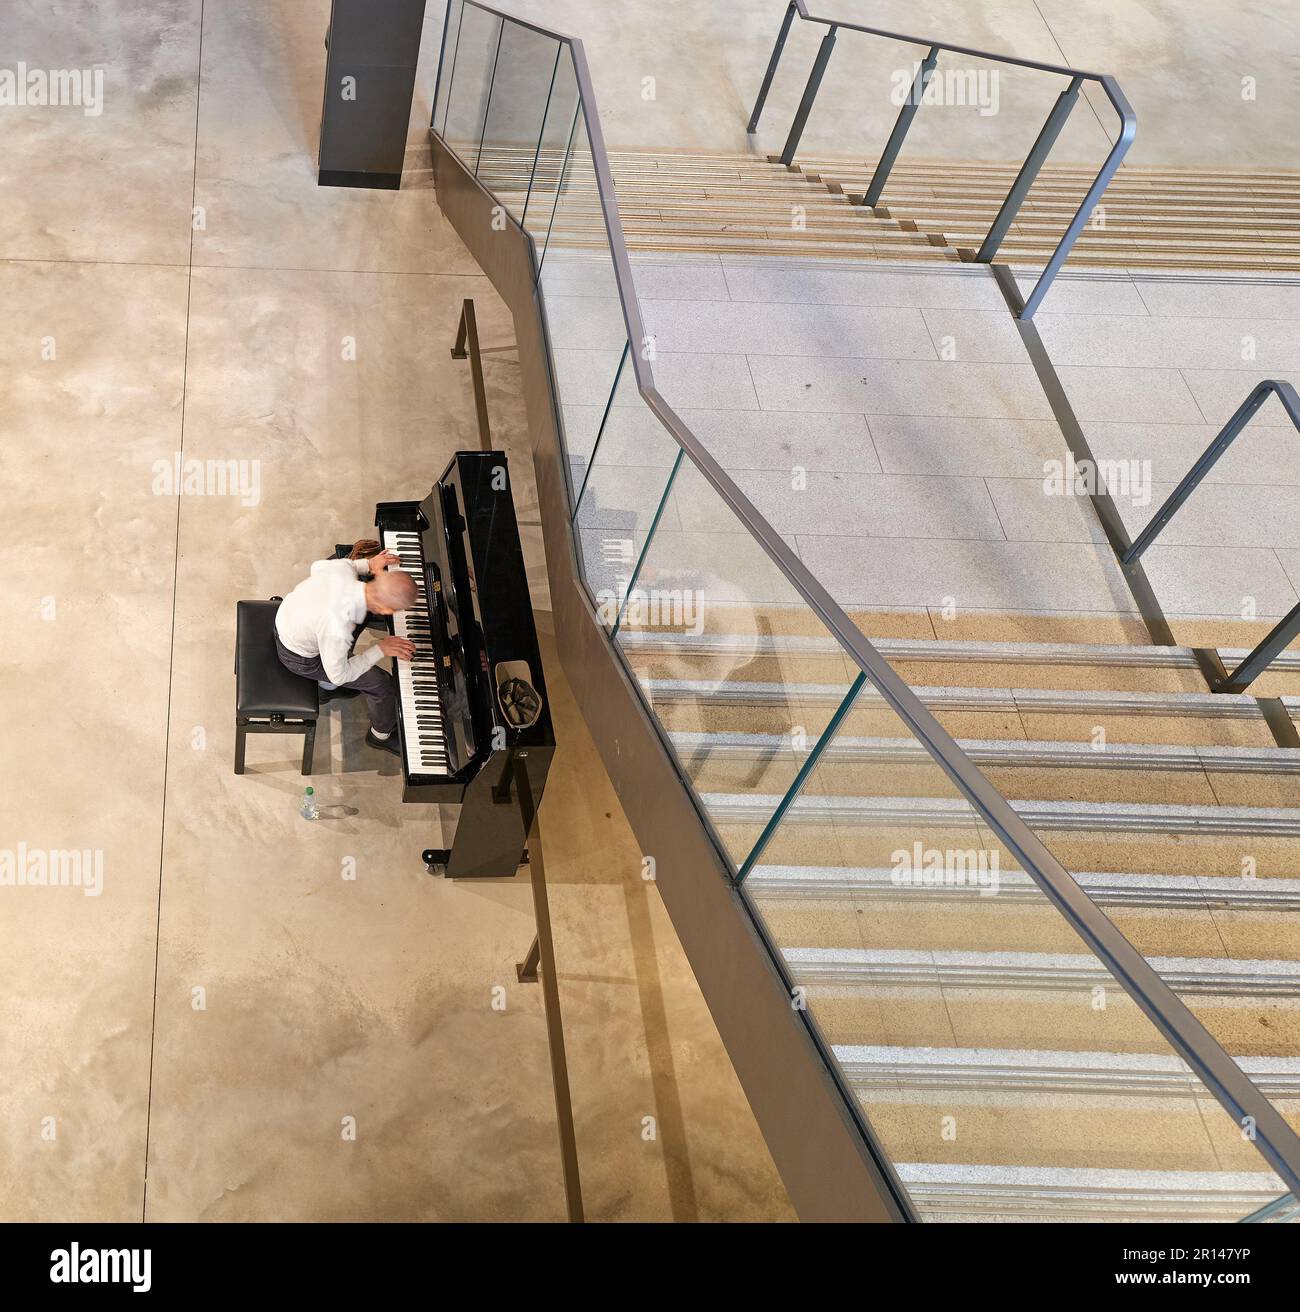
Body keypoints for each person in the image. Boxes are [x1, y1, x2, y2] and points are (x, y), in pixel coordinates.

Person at [274, 540, 417, 757]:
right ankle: (381, 736)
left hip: (288, 618)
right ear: (387, 609)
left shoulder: (342, 571)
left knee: (360, 622)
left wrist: (369, 564)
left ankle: (326, 689)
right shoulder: (339, 628)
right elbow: (338, 674)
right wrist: (380, 649)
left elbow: (318, 567)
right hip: (297, 656)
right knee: (381, 684)